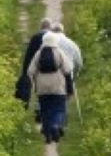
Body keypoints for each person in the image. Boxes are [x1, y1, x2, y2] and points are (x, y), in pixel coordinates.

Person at [17, 16, 82, 144]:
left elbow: (30, 70)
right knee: (58, 108)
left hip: (42, 87)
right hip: (58, 86)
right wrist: (70, 85)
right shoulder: (59, 52)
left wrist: (34, 81)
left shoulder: (39, 53)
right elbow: (68, 69)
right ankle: (56, 126)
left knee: (45, 110)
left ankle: (47, 134)